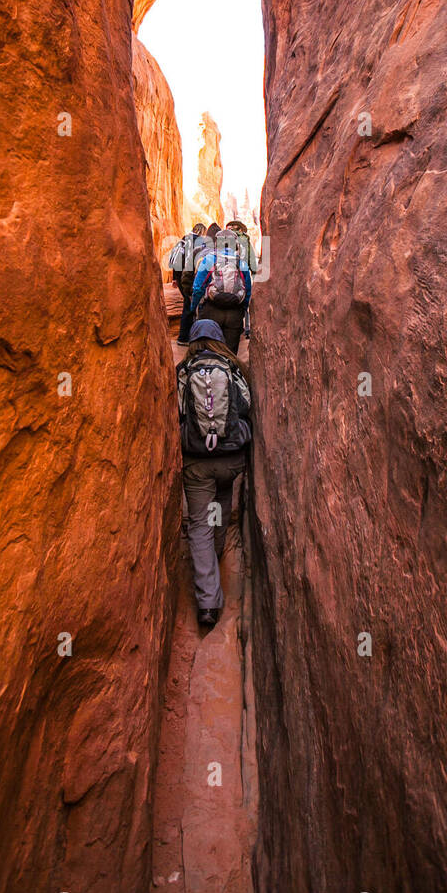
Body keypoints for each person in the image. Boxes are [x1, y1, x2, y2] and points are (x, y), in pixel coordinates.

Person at [177, 319, 252, 626]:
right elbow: (246, 406)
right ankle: (217, 549)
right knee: (220, 503)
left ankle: (208, 603)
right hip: (231, 459)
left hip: (197, 462)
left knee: (199, 526)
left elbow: (178, 412)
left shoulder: (184, 371)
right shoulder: (232, 369)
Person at [189, 226, 253, 355]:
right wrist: (243, 309)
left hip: (212, 311)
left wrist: (194, 307)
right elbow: (248, 290)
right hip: (234, 312)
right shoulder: (241, 263)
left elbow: (198, 287)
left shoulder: (209, 260)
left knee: (209, 350)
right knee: (230, 354)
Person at [168, 223, 206, 345]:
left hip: (179, 277)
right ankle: (184, 337)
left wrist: (174, 278)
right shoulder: (198, 242)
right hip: (188, 278)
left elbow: (176, 258)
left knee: (188, 304)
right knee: (190, 306)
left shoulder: (183, 240)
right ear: (201, 232)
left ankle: (187, 336)